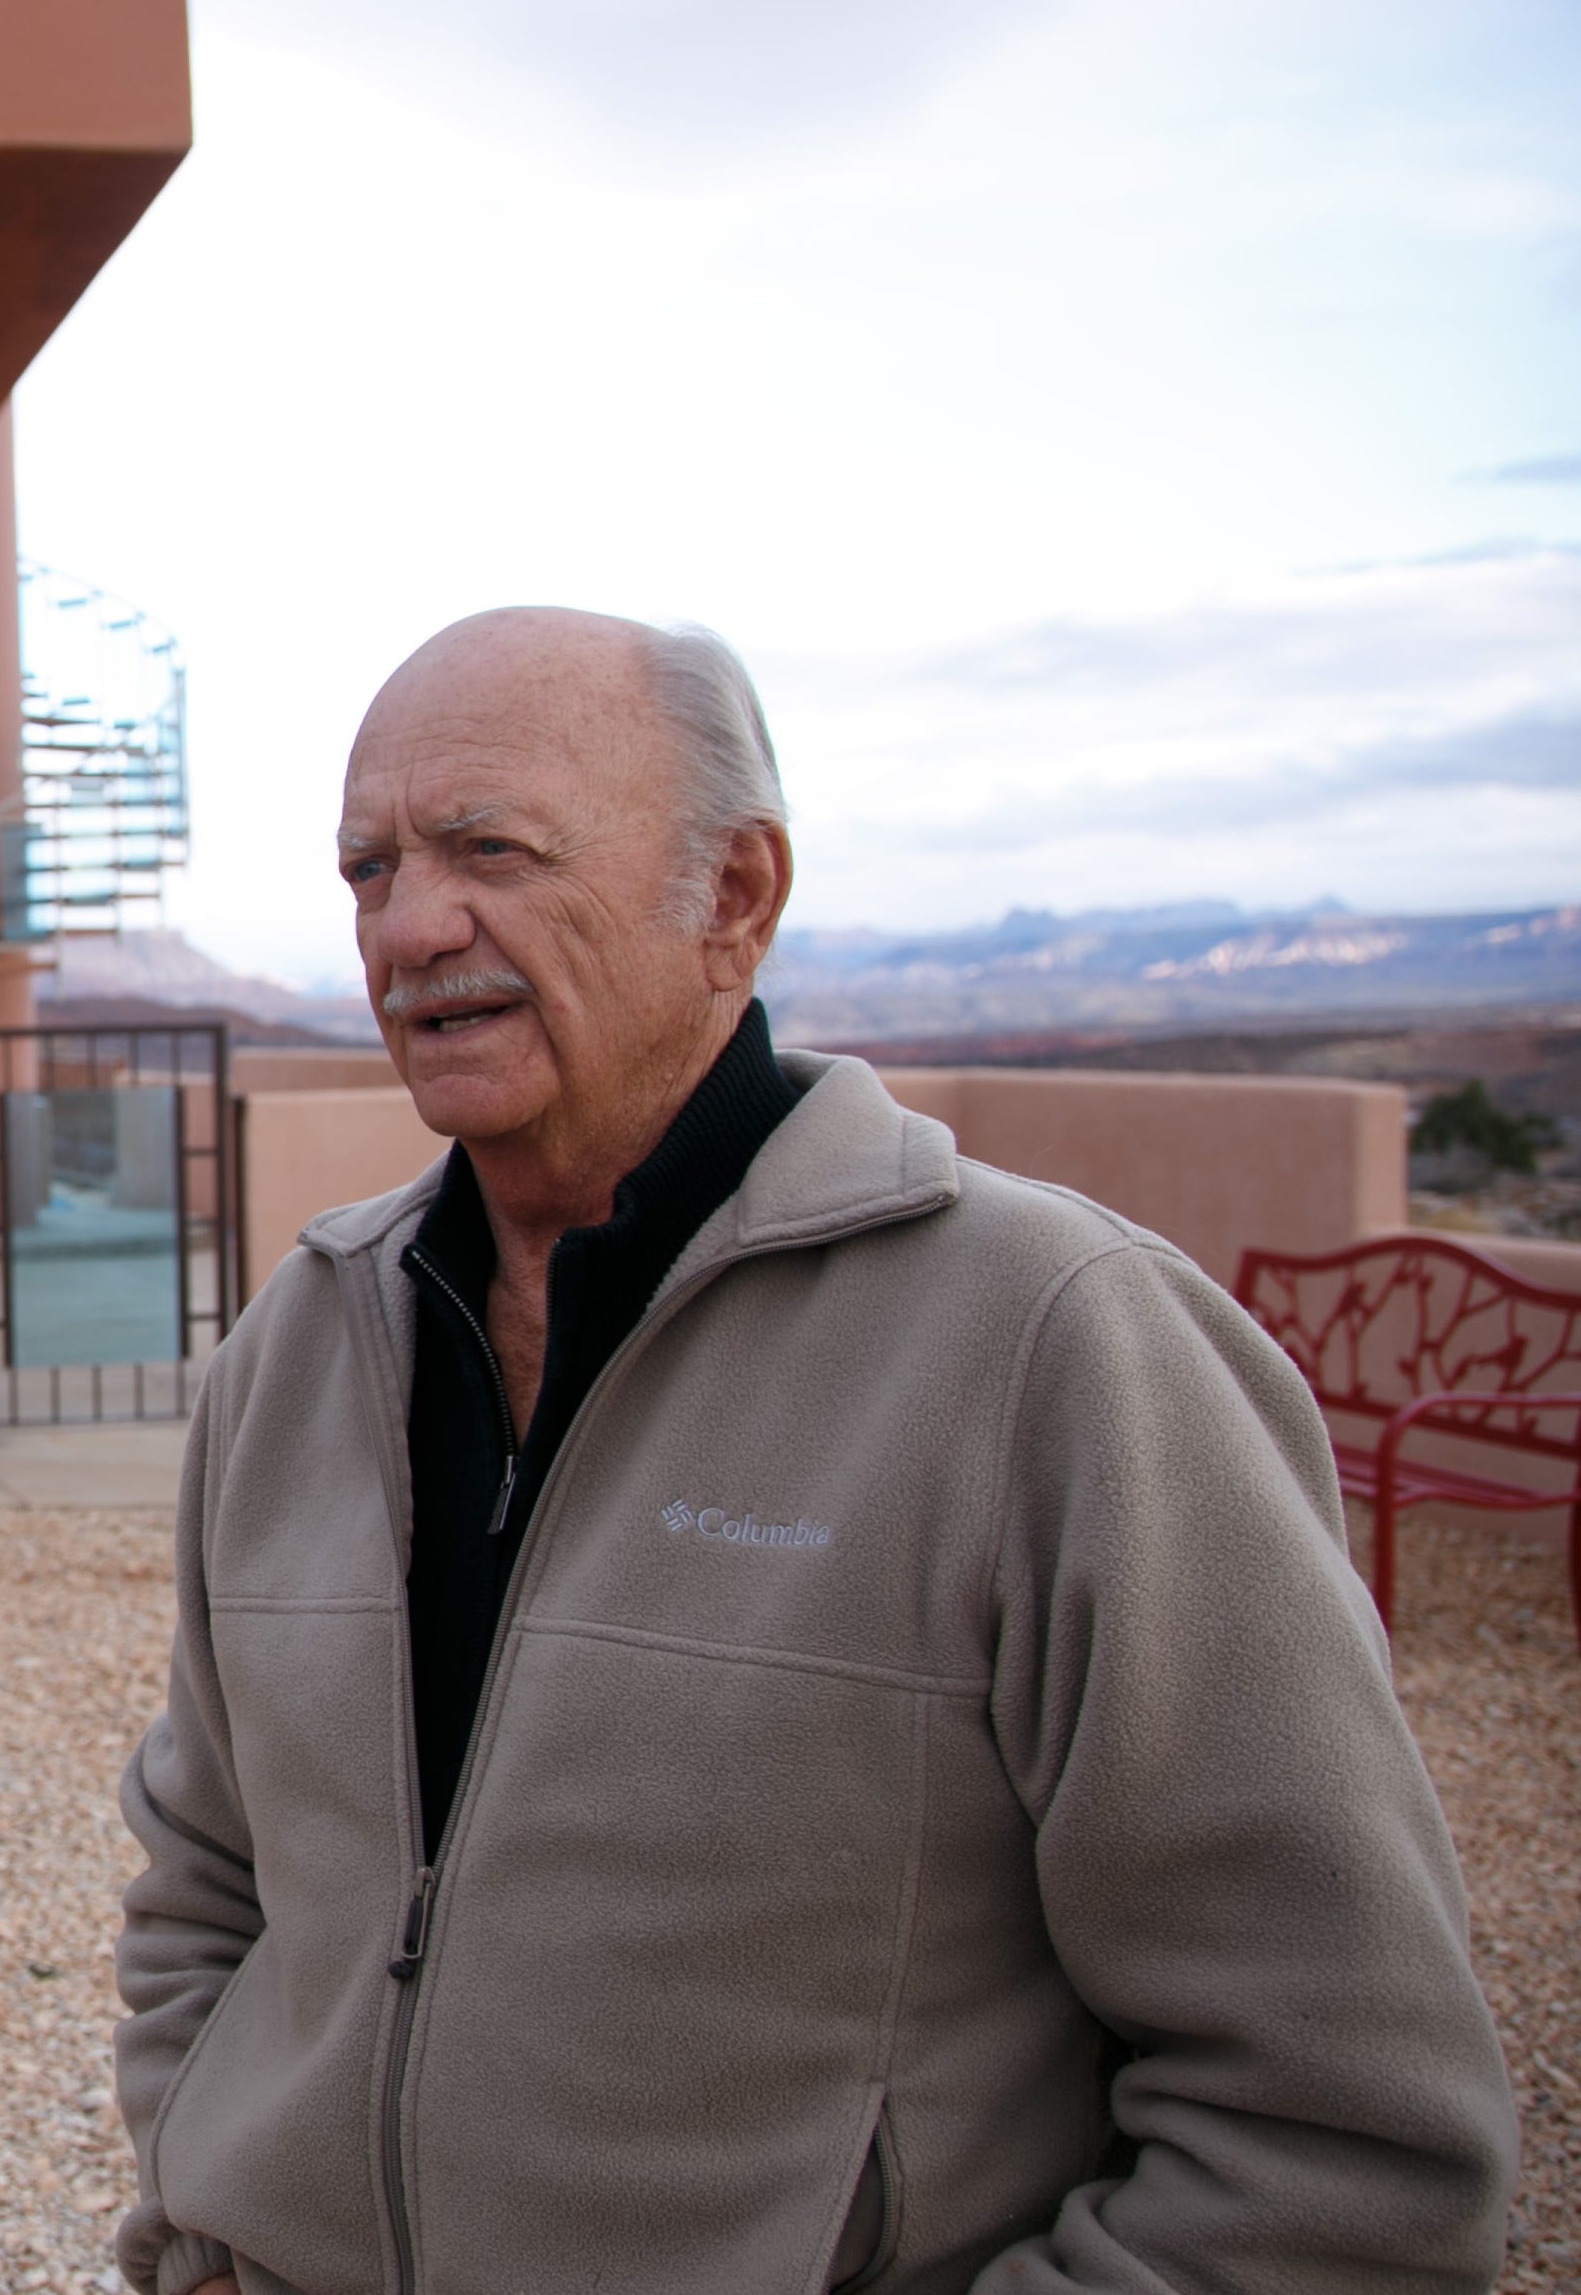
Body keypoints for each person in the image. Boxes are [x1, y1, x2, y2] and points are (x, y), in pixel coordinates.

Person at [110, 608, 1515, 2291]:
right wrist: (199, 2216)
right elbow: (207, 1876)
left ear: (731, 895)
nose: (410, 924)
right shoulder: (297, 1344)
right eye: (366, 870)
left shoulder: (1054, 1345)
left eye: (488, 847)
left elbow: (1338, 2138)